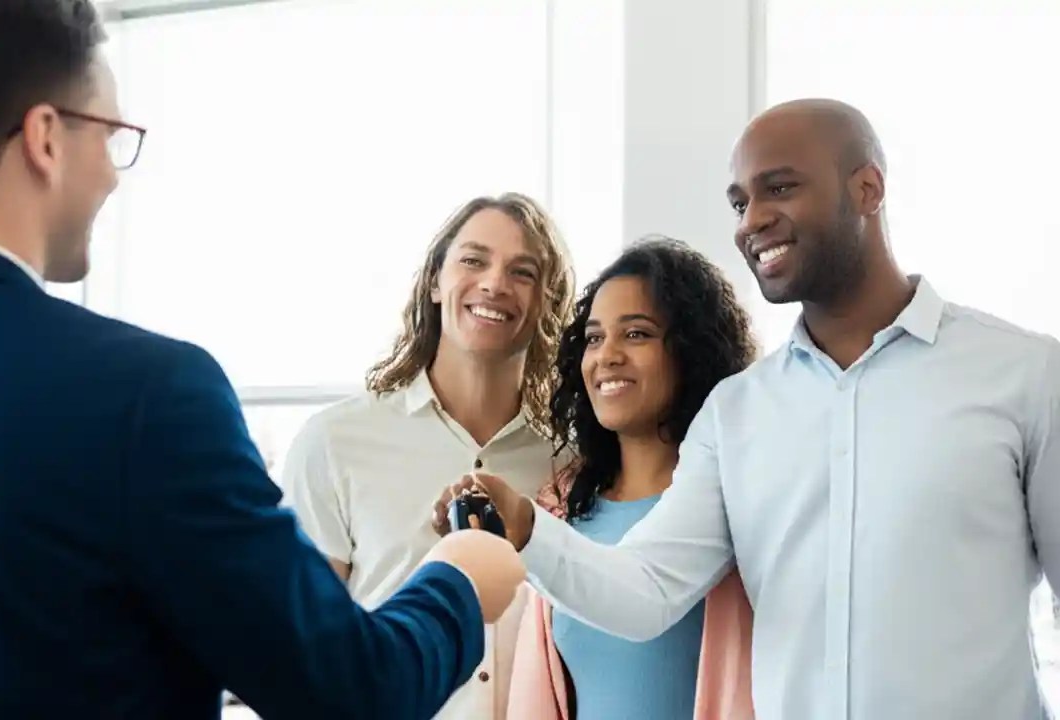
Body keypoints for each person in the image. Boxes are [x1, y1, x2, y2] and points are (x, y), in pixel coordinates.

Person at [0, 2, 526, 719]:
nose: (111, 172)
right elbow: (349, 689)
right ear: (45, 138)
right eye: (109, 134)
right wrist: (459, 578)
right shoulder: (146, 398)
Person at [438, 98, 1060, 719]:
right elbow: (646, 592)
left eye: (779, 189)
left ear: (868, 188)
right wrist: (523, 525)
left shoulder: (1024, 376)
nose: (752, 221)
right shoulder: (734, 414)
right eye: (740, 203)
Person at [283, 192, 576, 719]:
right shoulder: (335, 442)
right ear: (435, 282)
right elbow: (306, 654)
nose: (494, 283)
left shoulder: (571, 458)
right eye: (473, 260)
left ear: (545, 304)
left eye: (523, 272)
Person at [448, 238, 757, 719]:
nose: (606, 355)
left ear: (691, 351)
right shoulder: (561, 506)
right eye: (594, 338)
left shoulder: (738, 499)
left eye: (635, 334)